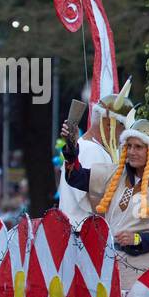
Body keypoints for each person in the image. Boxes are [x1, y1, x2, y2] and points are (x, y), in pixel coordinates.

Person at [63, 103, 149, 288]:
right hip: (111, 273)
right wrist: (72, 153)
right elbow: (77, 178)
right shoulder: (115, 175)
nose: (131, 151)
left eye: (138, 147)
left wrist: (138, 239)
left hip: (148, 278)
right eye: (128, 146)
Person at [58, 82, 132, 228]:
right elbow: (99, 204)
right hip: (83, 238)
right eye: (124, 127)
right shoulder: (91, 150)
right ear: (110, 124)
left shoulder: (93, 148)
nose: (126, 134)